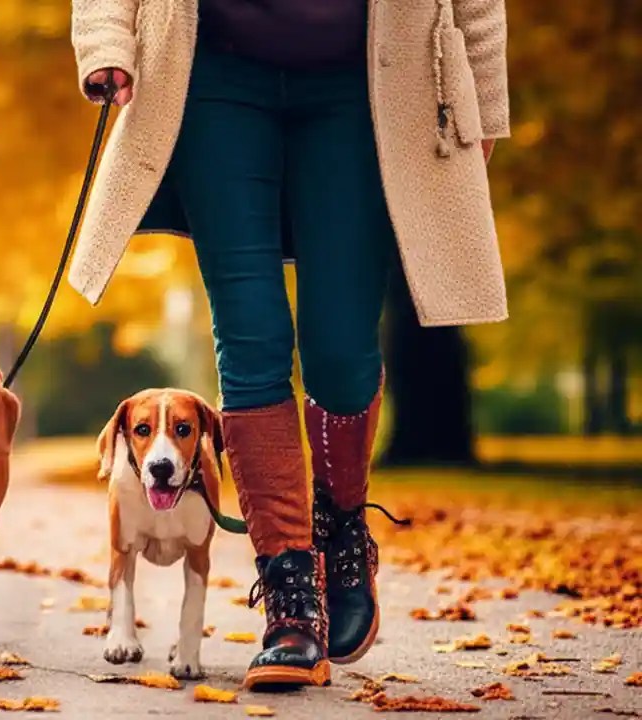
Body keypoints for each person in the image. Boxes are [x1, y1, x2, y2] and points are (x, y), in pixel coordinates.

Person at [69, 0, 509, 690]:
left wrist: (482, 94)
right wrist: (103, 40)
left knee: (339, 346)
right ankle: (290, 597)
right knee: (251, 338)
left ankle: (339, 526)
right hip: (214, 78)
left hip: (367, 83)